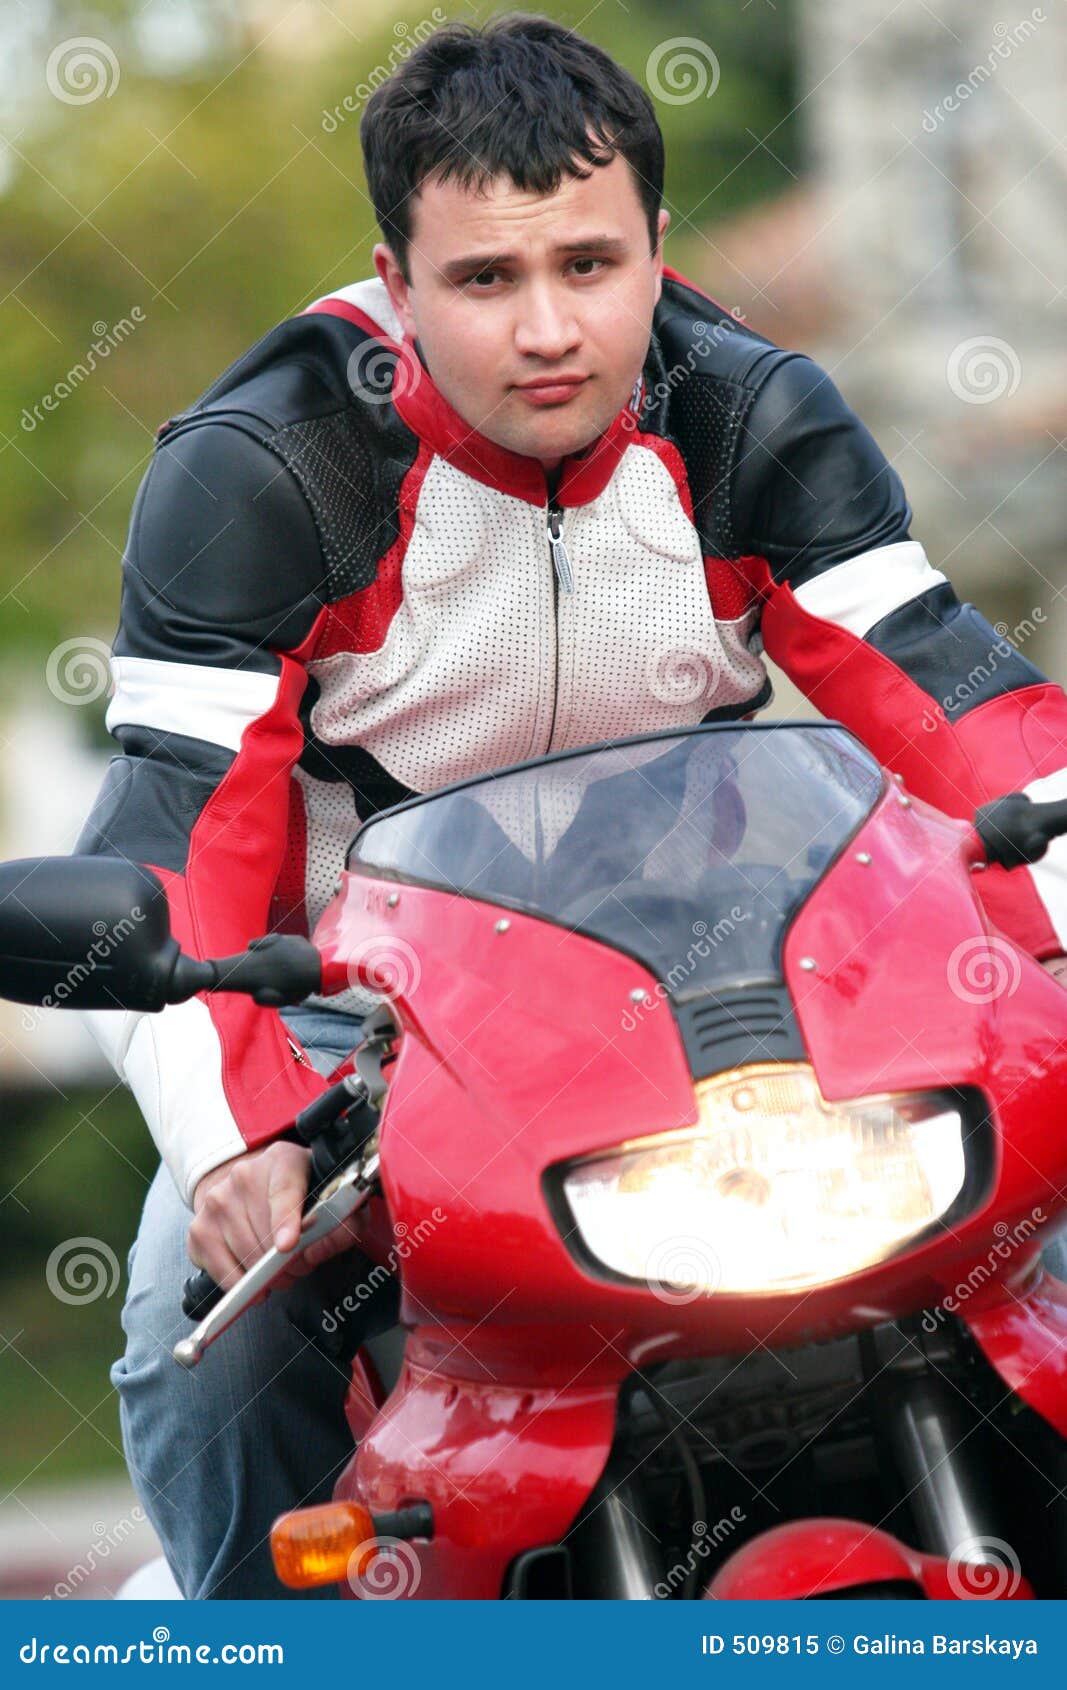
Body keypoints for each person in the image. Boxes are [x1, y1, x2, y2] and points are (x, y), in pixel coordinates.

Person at [74, 13, 1067, 1597]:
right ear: (394, 281)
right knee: (209, 1340)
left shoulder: (753, 413)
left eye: (591, 267)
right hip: (360, 1026)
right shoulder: (268, 467)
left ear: (657, 249)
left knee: (1041, 1230)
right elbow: (169, 842)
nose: (551, 329)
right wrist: (228, 1141)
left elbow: (955, 698)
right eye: (484, 280)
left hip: (751, 987)